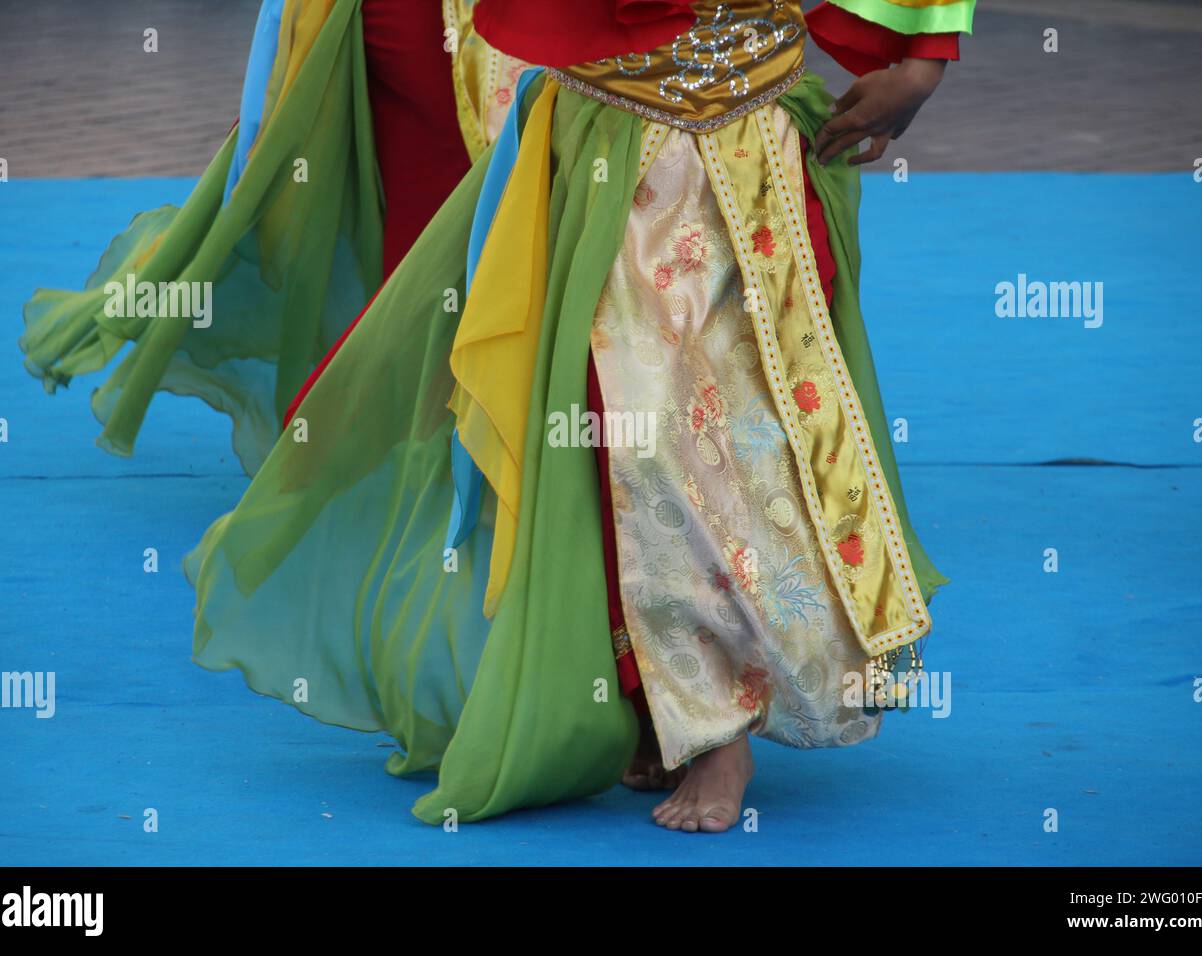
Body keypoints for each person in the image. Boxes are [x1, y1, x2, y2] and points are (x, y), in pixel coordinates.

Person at [188, 0, 971, 831]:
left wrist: (921, 61)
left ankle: (718, 724)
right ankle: (653, 696)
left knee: (726, 435)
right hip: (604, 142)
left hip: (739, 155)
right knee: (615, 437)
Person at [19, 0, 528, 475]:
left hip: (373, 20)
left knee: (425, 229)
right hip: (430, 26)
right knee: (444, 233)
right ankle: (346, 439)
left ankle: (341, 440)